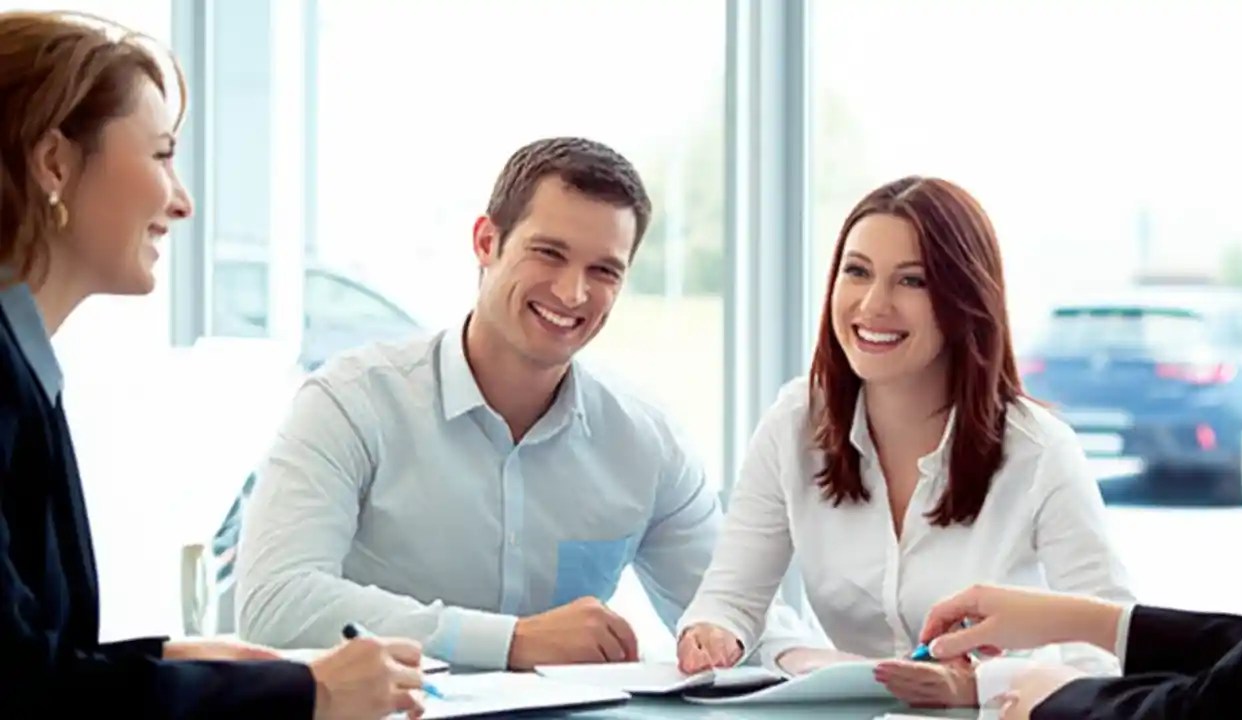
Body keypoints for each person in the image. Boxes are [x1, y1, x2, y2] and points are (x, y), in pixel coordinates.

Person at [234, 136, 809, 671]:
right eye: (549, 254)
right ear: (487, 242)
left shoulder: (645, 442)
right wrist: (511, 640)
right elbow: (274, 601)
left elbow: (731, 607)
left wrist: (812, 662)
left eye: (603, 270)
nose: (572, 293)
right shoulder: (351, 402)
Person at [0, 11, 427, 719]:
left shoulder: (24, 368)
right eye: (162, 154)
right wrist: (308, 692)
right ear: (54, 165)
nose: (182, 201)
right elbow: (22, 694)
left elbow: (24, 655)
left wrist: (161, 660)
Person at [673, 176, 1135, 708]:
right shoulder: (795, 423)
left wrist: (978, 687)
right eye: (857, 272)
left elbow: (1109, 652)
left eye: (911, 281)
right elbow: (730, 599)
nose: (873, 304)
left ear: (965, 298)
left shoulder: (1039, 452)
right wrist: (712, 633)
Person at [917, 155, 1242, 720]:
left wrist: (1055, 698)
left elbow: (1227, 707)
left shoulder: (1040, 444)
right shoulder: (796, 419)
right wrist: (1089, 622)